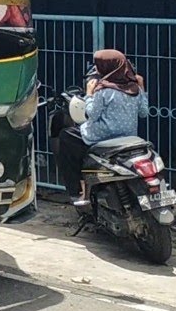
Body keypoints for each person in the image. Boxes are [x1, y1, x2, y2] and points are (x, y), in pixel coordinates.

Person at [56, 48, 149, 208]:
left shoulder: (104, 90)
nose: (97, 69)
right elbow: (144, 112)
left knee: (66, 136)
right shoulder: (134, 88)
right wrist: (142, 88)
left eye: (98, 65)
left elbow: (91, 113)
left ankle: (76, 191)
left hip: (102, 137)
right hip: (127, 138)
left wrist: (89, 93)